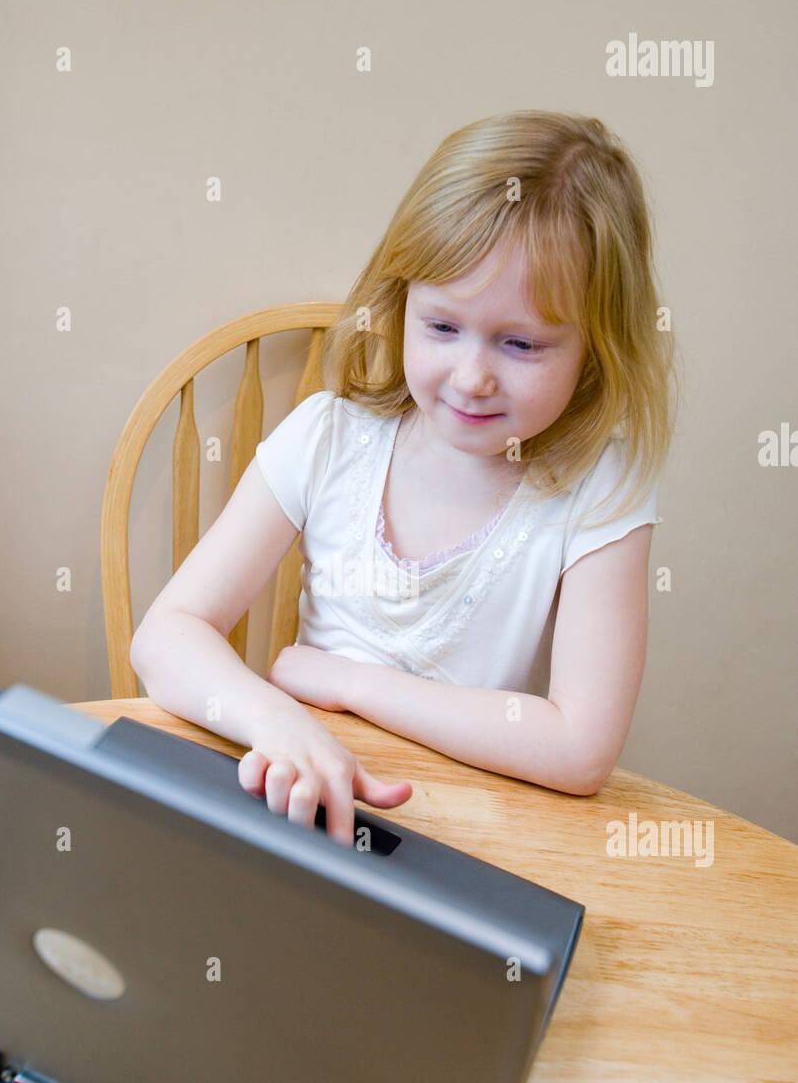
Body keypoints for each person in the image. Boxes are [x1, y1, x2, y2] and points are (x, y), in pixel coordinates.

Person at [130, 110, 678, 847]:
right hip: (303, 795)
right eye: (443, 327)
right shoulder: (328, 438)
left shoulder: (598, 486)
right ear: (401, 303)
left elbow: (580, 750)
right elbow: (166, 636)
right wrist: (279, 722)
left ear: (597, 349)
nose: (472, 375)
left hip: (465, 828)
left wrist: (352, 685)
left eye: (521, 343)